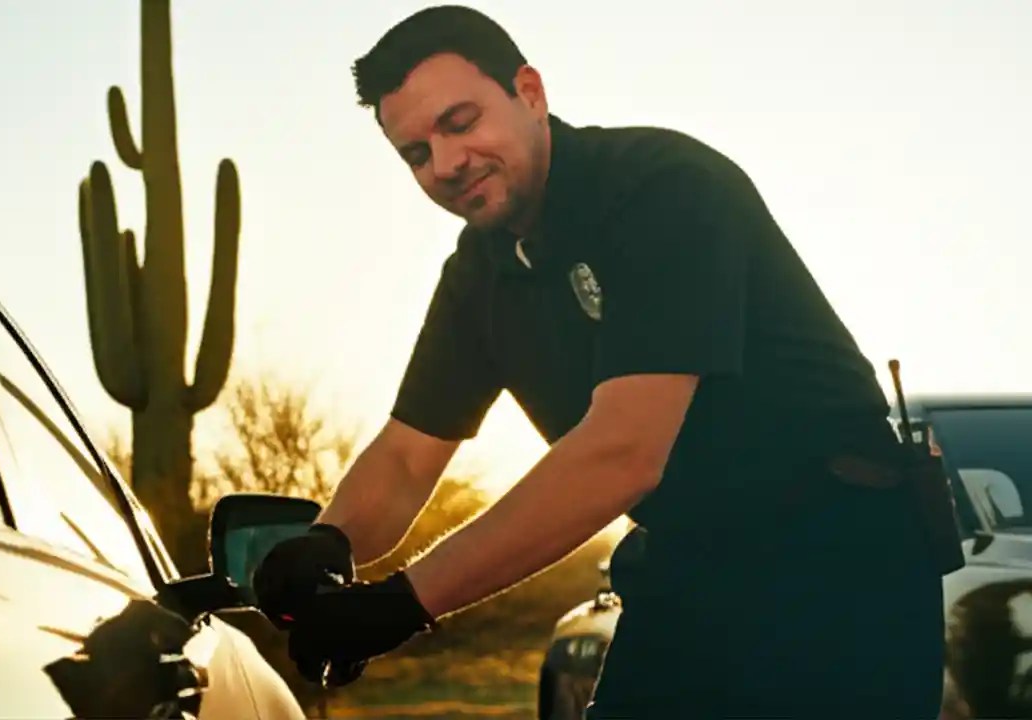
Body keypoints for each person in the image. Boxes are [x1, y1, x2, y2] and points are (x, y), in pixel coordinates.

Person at [254, 5, 950, 717]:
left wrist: (403, 603)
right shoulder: (478, 275)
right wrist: (328, 544)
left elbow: (622, 453)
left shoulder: (661, 188)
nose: (446, 164)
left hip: (838, 563)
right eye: (416, 153)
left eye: (460, 123)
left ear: (529, 91)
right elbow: (405, 458)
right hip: (687, 567)